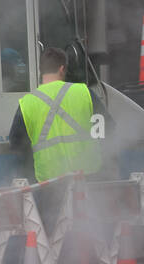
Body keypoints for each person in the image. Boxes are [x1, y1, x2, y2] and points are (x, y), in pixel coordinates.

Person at [7, 46, 103, 184]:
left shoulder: (27, 103)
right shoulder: (84, 93)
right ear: (62, 69)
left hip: (48, 183)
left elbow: (17, 143)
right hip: (87, 177)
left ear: (41, 71)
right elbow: (106, 128)